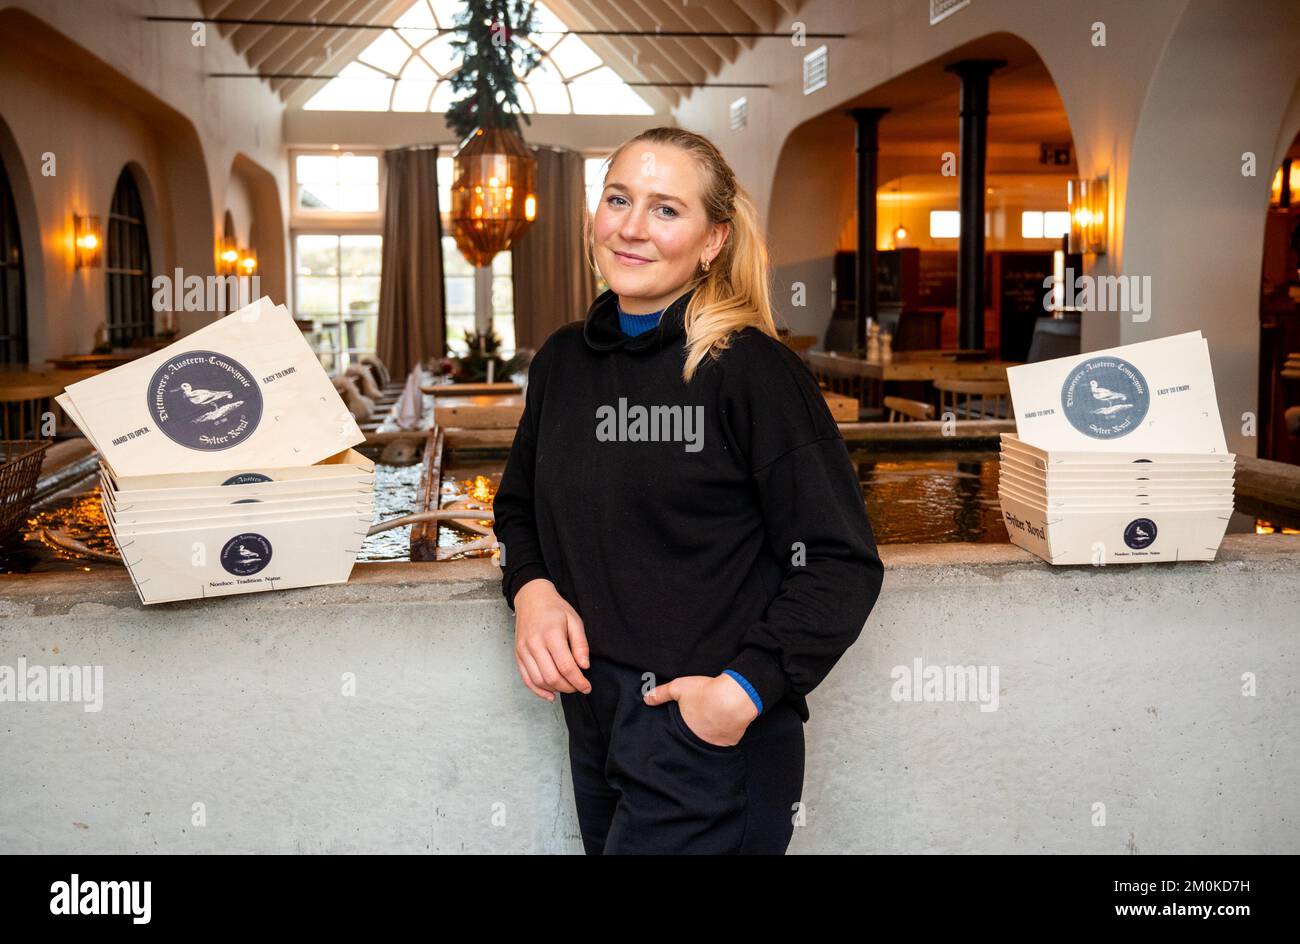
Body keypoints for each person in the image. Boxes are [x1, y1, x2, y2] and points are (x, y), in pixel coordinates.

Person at [492, 126, 884, 855]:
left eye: (666, 209)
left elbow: (839, 563)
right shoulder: (562, 363)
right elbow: (518, 508)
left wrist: (739, 694)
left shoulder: (751, 371)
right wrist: (532, 591)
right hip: (596, 723)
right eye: (618, 199)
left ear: (713, 240)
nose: (632, 228)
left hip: (706, 741)